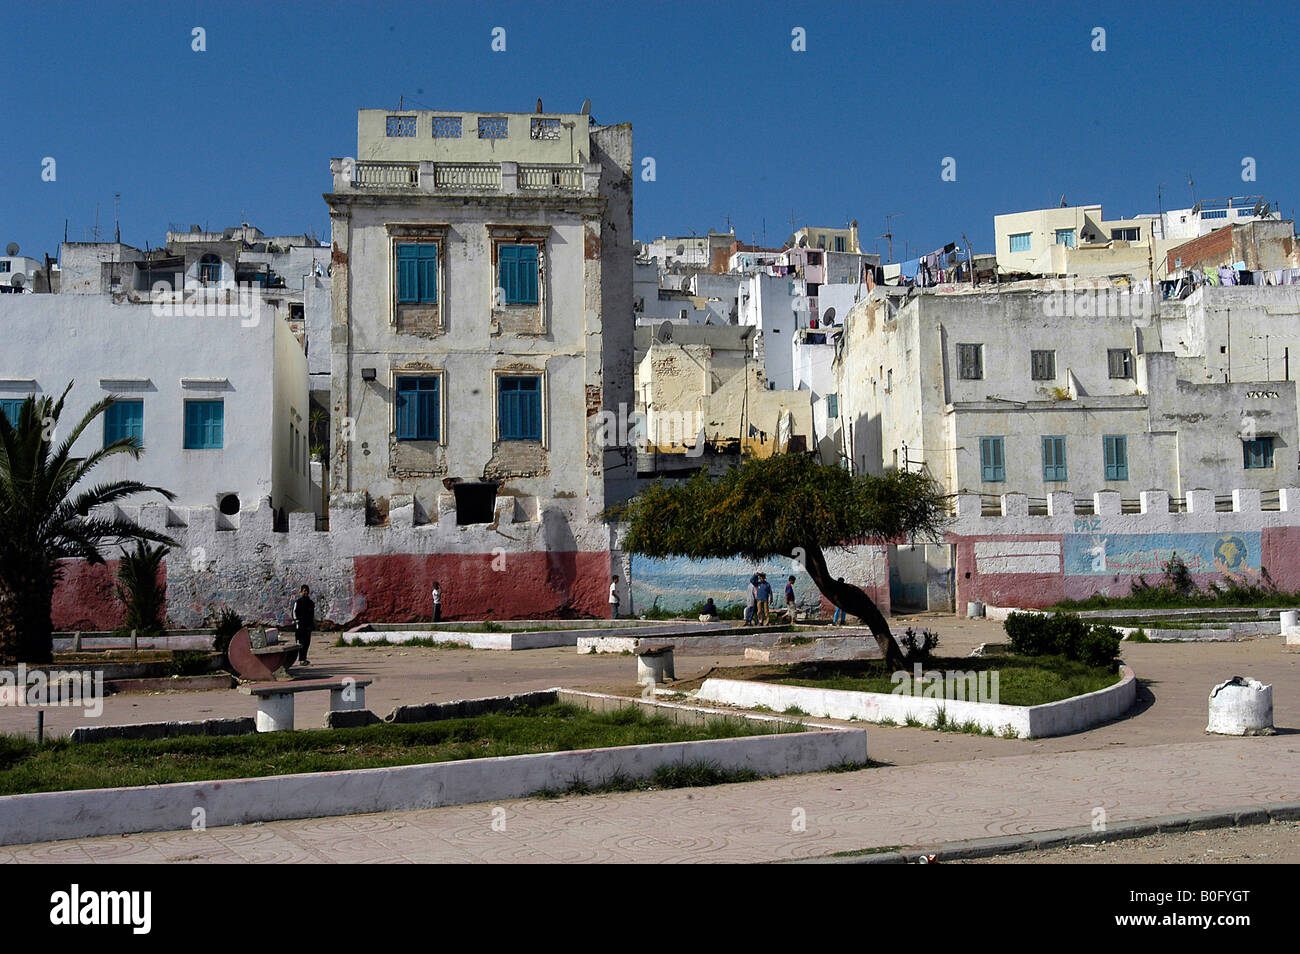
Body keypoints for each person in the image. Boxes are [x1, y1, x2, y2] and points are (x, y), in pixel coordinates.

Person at [292, 585, 315, 664]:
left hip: (308, 626)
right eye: (304, 591)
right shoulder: (298, 602)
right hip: (300, 626)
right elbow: (294, 612)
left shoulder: (311, 603)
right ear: (301, 592)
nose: (306, 592)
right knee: (300, 643)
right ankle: (299, 658)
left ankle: (303, 658)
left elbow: (312, 615)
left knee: (306, 643)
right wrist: (297, 621)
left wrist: (311, 624)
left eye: (307, 591)